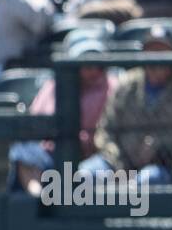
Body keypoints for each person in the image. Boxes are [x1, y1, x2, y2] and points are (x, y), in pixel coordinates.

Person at [78, 26, 172, 185]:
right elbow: (105, 132)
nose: (155, 59)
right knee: (85, 175)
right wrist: (118, 163)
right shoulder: (127, 83)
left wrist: (161, 143)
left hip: (165, 165)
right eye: (151, 51)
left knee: (145, 181)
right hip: (119, 163)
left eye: (162, 52)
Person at [7, 38, 118, 195]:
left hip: (88, 154)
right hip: (51, 152)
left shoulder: (111, 87)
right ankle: (36, 196)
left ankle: (39, 199)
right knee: (22, 150)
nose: (93, 70)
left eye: (98, 65)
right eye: (86, 64)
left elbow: (107, 134)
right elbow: (36, 122)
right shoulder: (55, 85)